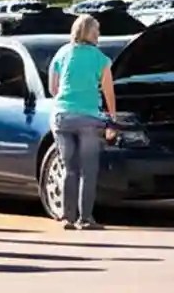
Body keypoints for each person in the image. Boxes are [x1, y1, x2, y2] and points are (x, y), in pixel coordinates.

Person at [48, 14, 117, 230]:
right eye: (96, 30)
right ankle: (85, 218)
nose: (99, 34)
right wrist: (112, 119)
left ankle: (67, 217)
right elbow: (108, 91)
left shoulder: (62, 53)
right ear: (89, 32)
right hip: (88, 117)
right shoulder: (100, 58)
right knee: (88, 170)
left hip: (62, 116)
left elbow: (53, 88)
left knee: (70, 168)